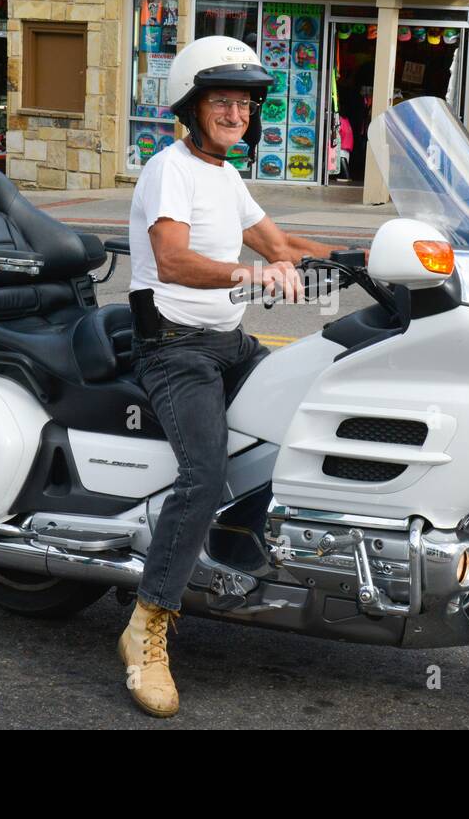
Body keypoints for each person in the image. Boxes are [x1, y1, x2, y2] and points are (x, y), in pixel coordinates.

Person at [121, 36, 339, 718]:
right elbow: (174, 260)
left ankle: (248, 552)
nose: (236, 113)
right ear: (193, 106)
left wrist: (381, 258)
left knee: (304, 415)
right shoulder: (169, 170)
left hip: (229, 340)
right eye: (223, 101)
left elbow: (280, 245)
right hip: (174, 348)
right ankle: (147, 624)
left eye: (244, 103)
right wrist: (251, 274)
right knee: (205, 472)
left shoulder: (225, 175)